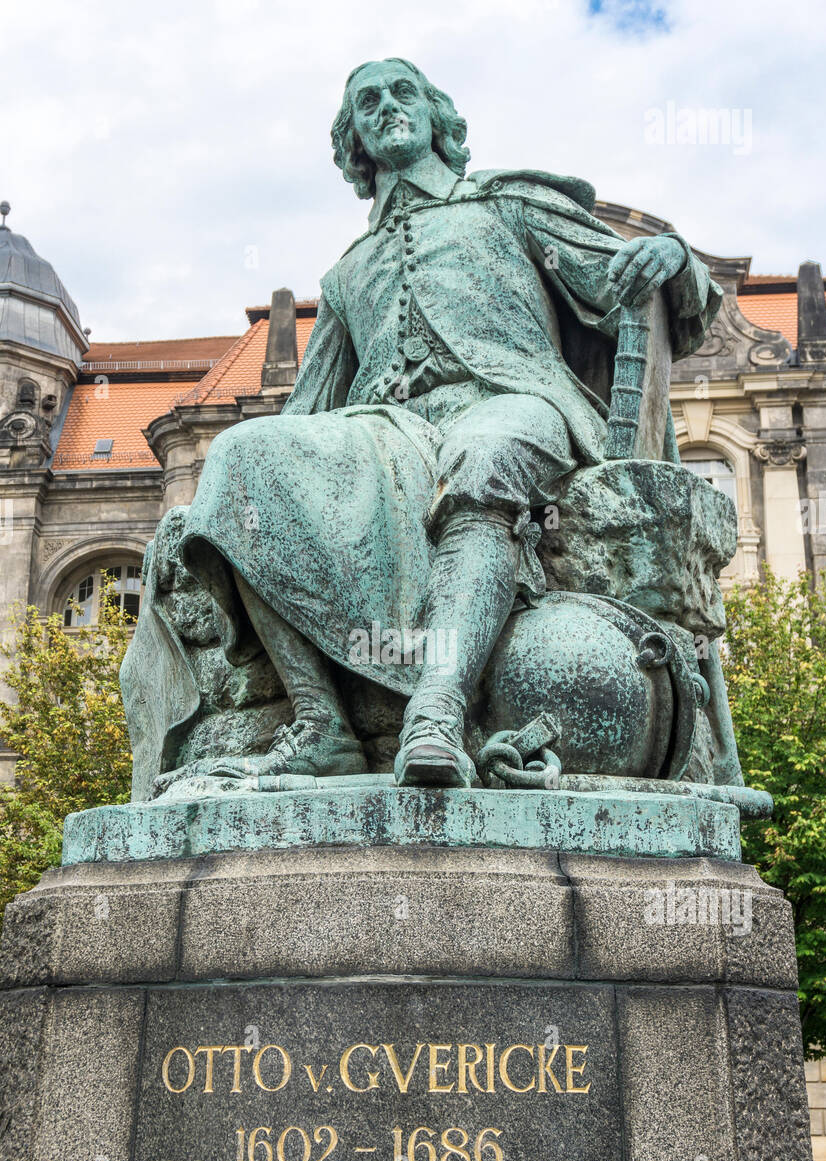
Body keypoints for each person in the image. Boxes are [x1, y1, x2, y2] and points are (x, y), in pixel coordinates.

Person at [182, 57, 720, 788]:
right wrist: (211, 506)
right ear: (355, 143)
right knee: (241, 458)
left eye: (403, 92)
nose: (385, 106)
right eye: (366, 102)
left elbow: (622, 278)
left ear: (437, 116)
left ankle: (436, 711)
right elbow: (309, 405)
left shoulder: (507, 203)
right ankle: (321, 725)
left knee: (482, 455)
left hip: (513, 401)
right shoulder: (347, 273)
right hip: (389, 425)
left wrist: (676, 257)